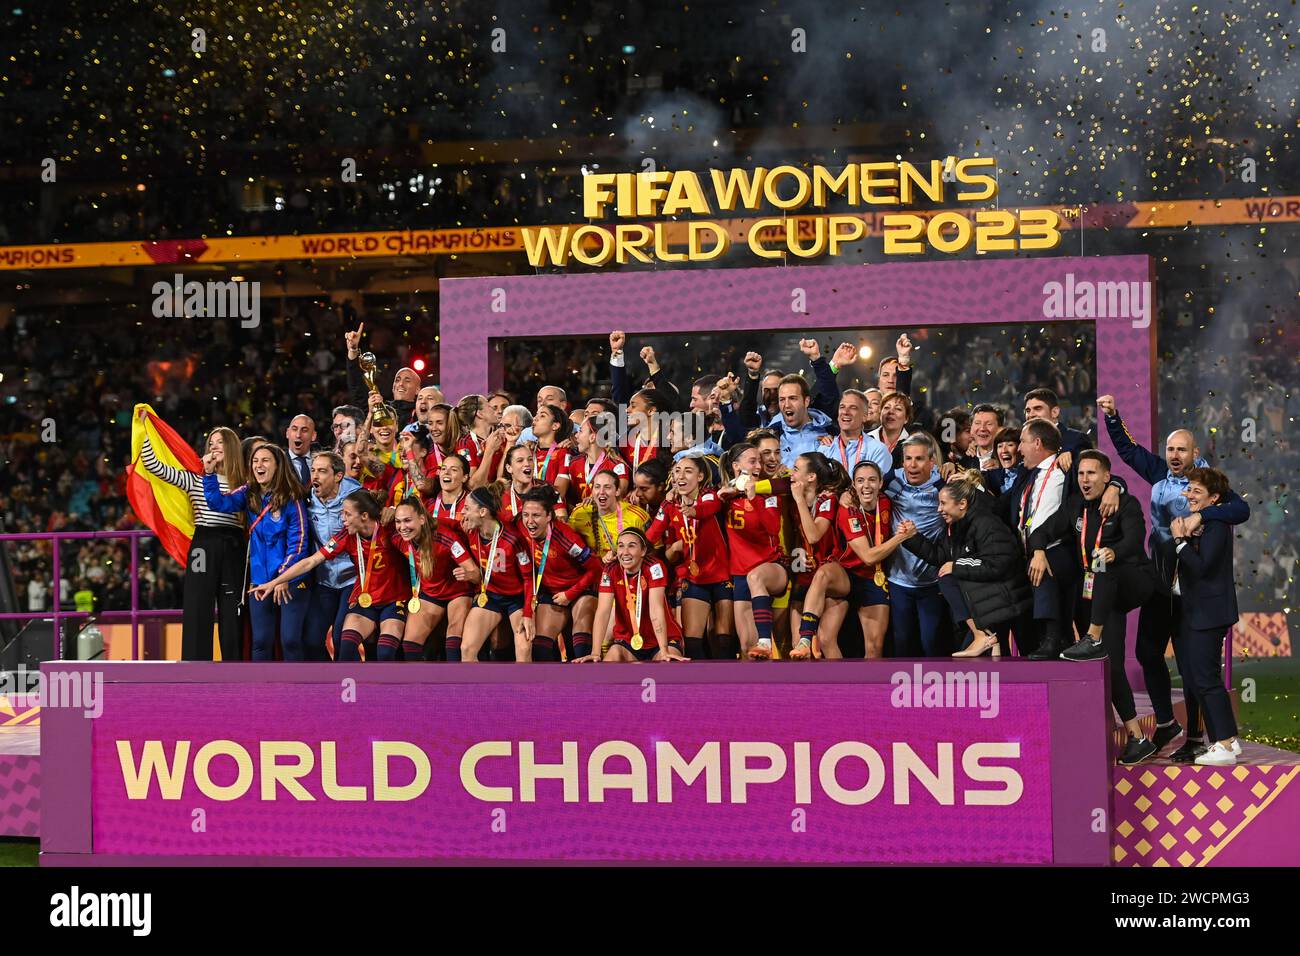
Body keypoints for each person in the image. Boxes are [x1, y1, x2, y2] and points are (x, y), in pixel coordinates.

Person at [1098, 394, 1251, 761]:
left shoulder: (1206, 482)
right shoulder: (1159, 473)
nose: (1175, 455)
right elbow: (1128, 452)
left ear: (1194, 452)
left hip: (1191, 582)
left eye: (1182, 449)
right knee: (1147, 651)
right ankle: (1167, 722)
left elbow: (1241, 509)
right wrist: (1113, 418)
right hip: (1160, 578)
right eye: (1170, 449)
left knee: (1190, 664)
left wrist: (1202, 516)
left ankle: (1197, 737)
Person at [1036, 451, 1161, 763]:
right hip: (1103, 593)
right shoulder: (1074, 506)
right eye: (1081, 474)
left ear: (1107, 477)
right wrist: (1038, 551)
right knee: (1112, 664)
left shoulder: (1125, 503)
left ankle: (1091, 637)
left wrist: (1112, 553)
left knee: (1102, 563)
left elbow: (1134, 541)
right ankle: (1137, 738)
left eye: (1091, 473)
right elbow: (1043, 531)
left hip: (1134, 578)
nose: (1085, 480)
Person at [252, 489, 407, 661]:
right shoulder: (346, 536)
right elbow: (311, 561)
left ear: (364, 516)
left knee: (385, 652)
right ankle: (349, 680)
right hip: (366, 599)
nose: (343, 519)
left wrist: (393, 510)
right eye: (342, 513)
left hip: (394, 600)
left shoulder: (389, 528)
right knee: (346, 644)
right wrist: (274, 582)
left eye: (347, 514)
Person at [137, 416, 246, 661]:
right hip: (203, 544)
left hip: (234, 545)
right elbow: (154, 466)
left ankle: (236, 666)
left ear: (231, 447)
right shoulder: (194, 478)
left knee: (233, 608)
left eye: (220, 442)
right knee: (198, 604)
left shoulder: (245, 482)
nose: (214, 447)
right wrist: (143, 430)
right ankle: (196, 666)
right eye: (211, 443)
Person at [898, 468, 1032, 658]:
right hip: (988, 606)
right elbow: (941, 556)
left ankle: (981, 635)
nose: (939, 509)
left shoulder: (986, 522)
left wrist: (957, 566)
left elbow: (999, 563)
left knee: (1030, 660)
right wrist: (913, 538)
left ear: (962, 504)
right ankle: (980, 635)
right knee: (946, 576)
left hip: (1007, 602)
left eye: (943, 503)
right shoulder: (957, 527)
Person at [205, 443, 311, 661]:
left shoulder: (292, 498)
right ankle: (261, 684)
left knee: (290, 640)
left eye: (265, 460)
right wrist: (209, 475)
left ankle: (299, 683)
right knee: (260, 641)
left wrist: (283, 576)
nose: (258, 465)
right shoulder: (248, 493)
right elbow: (219, 503)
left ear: (278, 465)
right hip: (260, 581)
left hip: (290, 579)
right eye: (255, 461)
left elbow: (299, 543)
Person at [799, 460, 910, 659]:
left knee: (874, 649)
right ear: (853, 484)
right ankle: (805, 639)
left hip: (873, 579)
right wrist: (901, 537)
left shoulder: (886, 501)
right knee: (825, 636)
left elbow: (906, 474)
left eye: (872, 480)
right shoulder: (847, 509)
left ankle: (870, 682)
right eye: (860, 481)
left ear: (881, 482)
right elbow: (868, 556)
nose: (866, 486)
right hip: (846, 575)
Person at [1173, 467, 1243, 766]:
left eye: (1196, 491)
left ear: (1214, 498)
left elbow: (1203, 567)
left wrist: (1180, 542)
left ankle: (1224, 743)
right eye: (1189, 489)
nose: (1189, 495)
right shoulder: (1207, 522)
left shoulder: (1215, 525)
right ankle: (1226, 740)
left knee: (1205, 678)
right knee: (1200, 677)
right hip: (1201, 611)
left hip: (1209, 613)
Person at [647, 456, 735, 660]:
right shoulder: (670, 505)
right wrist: (629, 547)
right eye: (677, 471)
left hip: (721, 575)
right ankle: (699, 680)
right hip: (694, 578)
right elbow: (652, 534)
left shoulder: (709, 495)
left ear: (700, 476)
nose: (681, 476)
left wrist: (692, 511)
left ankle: (729, 680)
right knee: (692, 641)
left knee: (724, 639)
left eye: (688, 471)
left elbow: (709, 508)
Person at [574, 528, 688, 662]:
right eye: (621, 546)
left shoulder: (654, 567)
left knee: (667, 664)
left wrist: (664, 651)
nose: (625, 552)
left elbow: (656, 610)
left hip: (664, 641)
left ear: (643, 551)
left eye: (631, 546)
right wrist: (595, 652)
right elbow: (603, 612)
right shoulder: (610, 570)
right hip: (627, 642)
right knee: (608, 664)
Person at [517, 485, 603, 661]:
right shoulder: (519, 528)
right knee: (540, 647)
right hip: (552, 593)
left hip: (581, 590)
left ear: (549, 516)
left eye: (536, 515)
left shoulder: (566, 538)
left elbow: (596, 569)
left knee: (580, 642)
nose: (529, 521)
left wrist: (570, 594)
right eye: (526, 515)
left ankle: (589, 678)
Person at [718, 443, 787, 660]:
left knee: (755, 577)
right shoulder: (725, 494)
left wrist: (754, 496)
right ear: (736, 466)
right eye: (753, 461)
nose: (759, 465)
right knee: (747, 645)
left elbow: (773, 528)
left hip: (771, 567)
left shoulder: (768, 493)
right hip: (740, 574)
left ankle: (765, 641)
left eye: (759, 461)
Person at [883, 434, 948, 656]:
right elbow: (866, 490)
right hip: (898, 580)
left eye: (919, 459)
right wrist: (848, 497)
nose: (912, 465)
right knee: (902, 644)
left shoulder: (943, 485)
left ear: (931, 462)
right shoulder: (892, 480)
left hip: (932, 581)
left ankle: (934, 680)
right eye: (908, 458)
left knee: (931, 643)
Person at [392, 496, 478, 663]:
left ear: (422, 519)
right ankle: (418, 681)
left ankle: (459, 680)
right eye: (398, 521)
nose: (402, 527)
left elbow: (475, 573)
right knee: (410, 644)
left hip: (457, 592)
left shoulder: (446, 538)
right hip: (430, 593)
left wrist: (468, 575)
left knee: (453, 642)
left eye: (408, 520)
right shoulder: (398, 538)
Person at [457, 484, 536, 662]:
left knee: (523, 651)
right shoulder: (470, 530)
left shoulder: (513, 539)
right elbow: (440, 525)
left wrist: (528, 613)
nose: (463, 513)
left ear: (482, 512)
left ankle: (527, 682)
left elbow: (528, 578)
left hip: (517, 599)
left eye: (467, 508)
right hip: (490, 596)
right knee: (467, 649)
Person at [303, 451, 361, 661]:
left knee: (340, 638)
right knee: (311, 640)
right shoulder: (306, 498)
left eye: (322, 471)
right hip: (324, 579)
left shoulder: (356, 498)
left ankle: (352, 679)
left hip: (352, 579)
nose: (315, 476)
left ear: (338, 476)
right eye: (313, 470)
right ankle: (327, 678)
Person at [786, 453, 846, 658]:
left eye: (796, 469)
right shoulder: (794, 500)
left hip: (832, 573)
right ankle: (803, 647)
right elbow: (799, 539)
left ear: (811, 477)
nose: (791, 473)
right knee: (796, 648)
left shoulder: (828, 499)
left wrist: (799, 500)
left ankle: (807, 639)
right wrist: (798, 557)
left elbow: (813, 536)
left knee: (826, 641)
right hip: (805, 575)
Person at [569, 469, 650, 563]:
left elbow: (653, 551)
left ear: (617, 491)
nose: (601, 492)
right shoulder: (579, 514)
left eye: (607, 487)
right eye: (597, 487)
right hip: (594, 570)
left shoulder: (637, 517)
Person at [823, 389, 894, 478]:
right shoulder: (825, 449)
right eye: (842, 407)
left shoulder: (878, 451)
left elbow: (871, 484)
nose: (845, 412)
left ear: (865, 417)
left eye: (853, 408)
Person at [568, 412, 630, 503]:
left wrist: (597, 500)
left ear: (592, 437)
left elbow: (619, 494)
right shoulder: (574, 463)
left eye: (580, 431)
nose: (576, 435)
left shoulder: (616, 466)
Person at [455, 393, 507, 488]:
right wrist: (489, 450)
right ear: (480, 414)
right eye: (489, 406)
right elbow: (473, 485)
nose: (496, 411)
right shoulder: (464, 445)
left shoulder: (502, 436)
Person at [530, 403, 573, 505]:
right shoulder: (528, 451)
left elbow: (560, 492)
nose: (535, 418)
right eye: (536, 415)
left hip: (550, 507)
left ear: (555, 426)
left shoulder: (563, 452)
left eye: (542, 415)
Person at [868, 392, 913, 470]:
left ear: (906, 418)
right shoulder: (865, 440)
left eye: (898, 409)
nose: (891, 412)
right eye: (886, 408)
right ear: (880, 413)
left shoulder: (912, 445)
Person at [284, 414, 317, 488]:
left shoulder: (323, 460)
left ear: (313, 436)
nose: (298, 435)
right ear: (287, 433)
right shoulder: (277, 461)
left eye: (304, 430)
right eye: (294, 429)